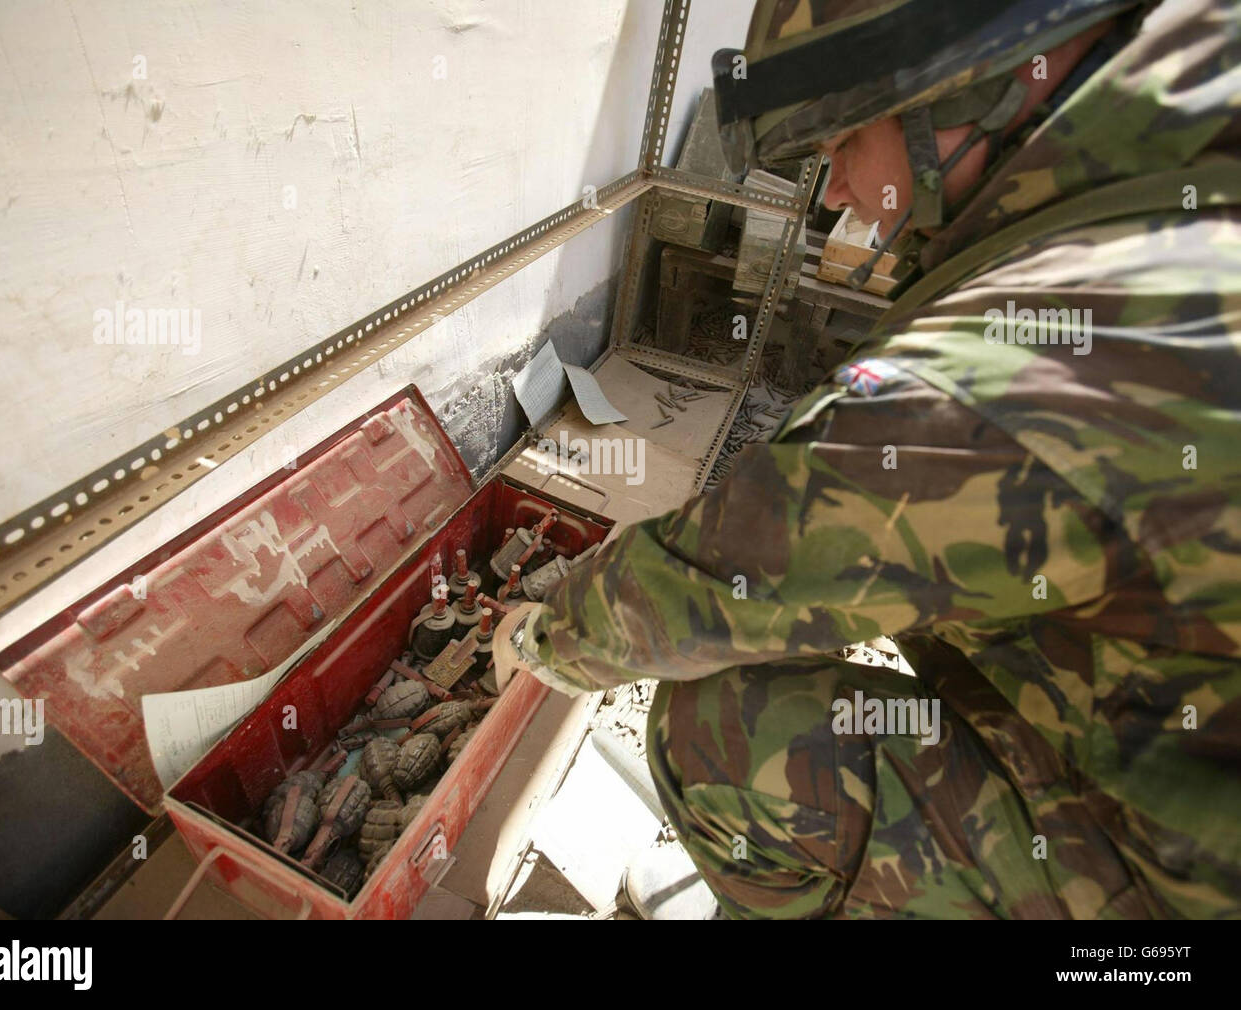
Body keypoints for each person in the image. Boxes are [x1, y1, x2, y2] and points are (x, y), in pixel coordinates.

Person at [493, 0, 1241, 919]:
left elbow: (730, 570)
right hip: (1179, 772)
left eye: (844, 143)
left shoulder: (1030, 355)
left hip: (1176, 900)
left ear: (960, 89)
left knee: (724, 736)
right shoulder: (1184, 158)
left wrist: (542, 637)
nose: (836, 191)